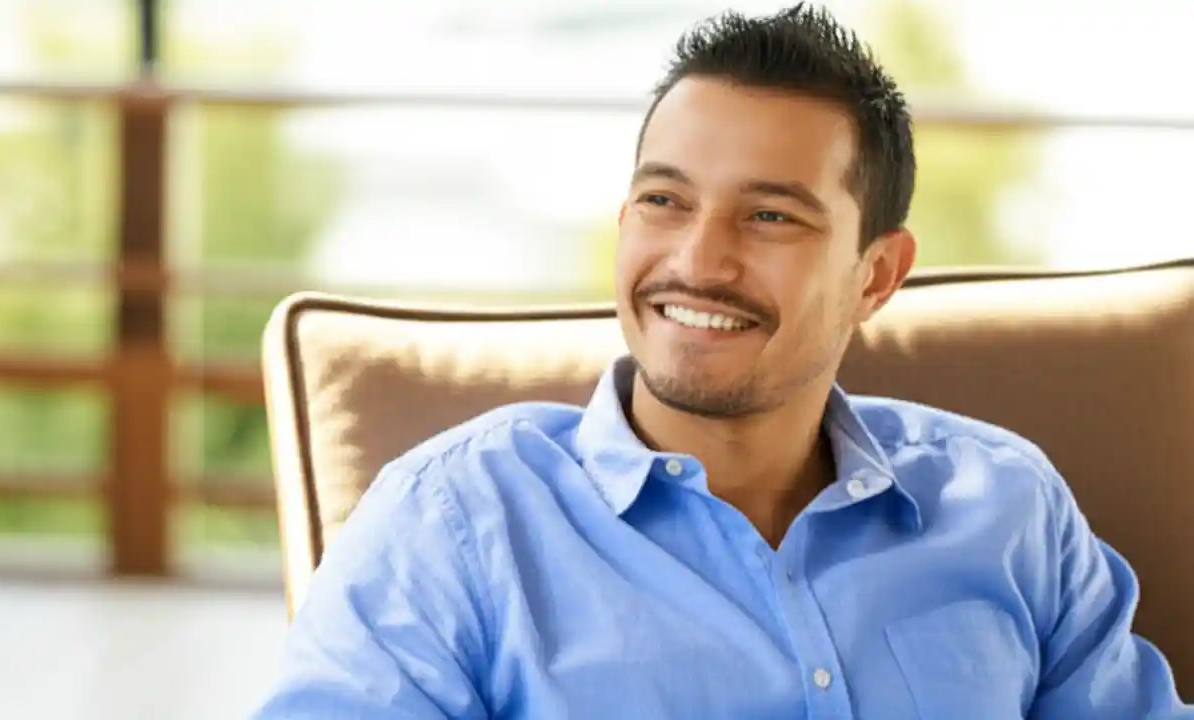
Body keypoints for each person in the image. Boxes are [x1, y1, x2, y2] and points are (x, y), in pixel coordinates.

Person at [254, 5, 1191, 718]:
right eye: (665, 201)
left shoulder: (1008, 508)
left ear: (877, 275)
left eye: (771, 215)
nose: (699, 261)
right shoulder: (454, 526)